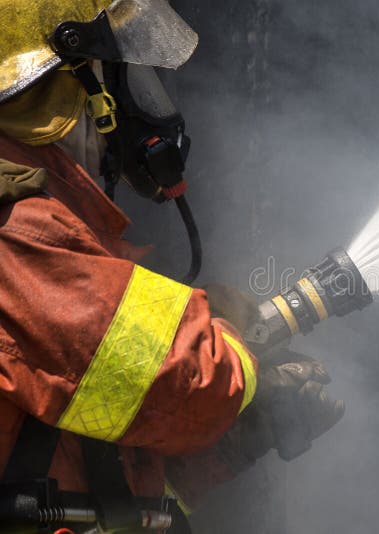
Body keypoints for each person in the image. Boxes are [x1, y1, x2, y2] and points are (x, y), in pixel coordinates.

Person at [0, 1, 343, 532]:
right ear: (74, 90)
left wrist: (228, 453)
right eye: (137, 81)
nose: (153, 109)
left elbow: (104, 496)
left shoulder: (55, 227)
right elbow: (190, 381)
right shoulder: (18, 231)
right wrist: (236, 349)